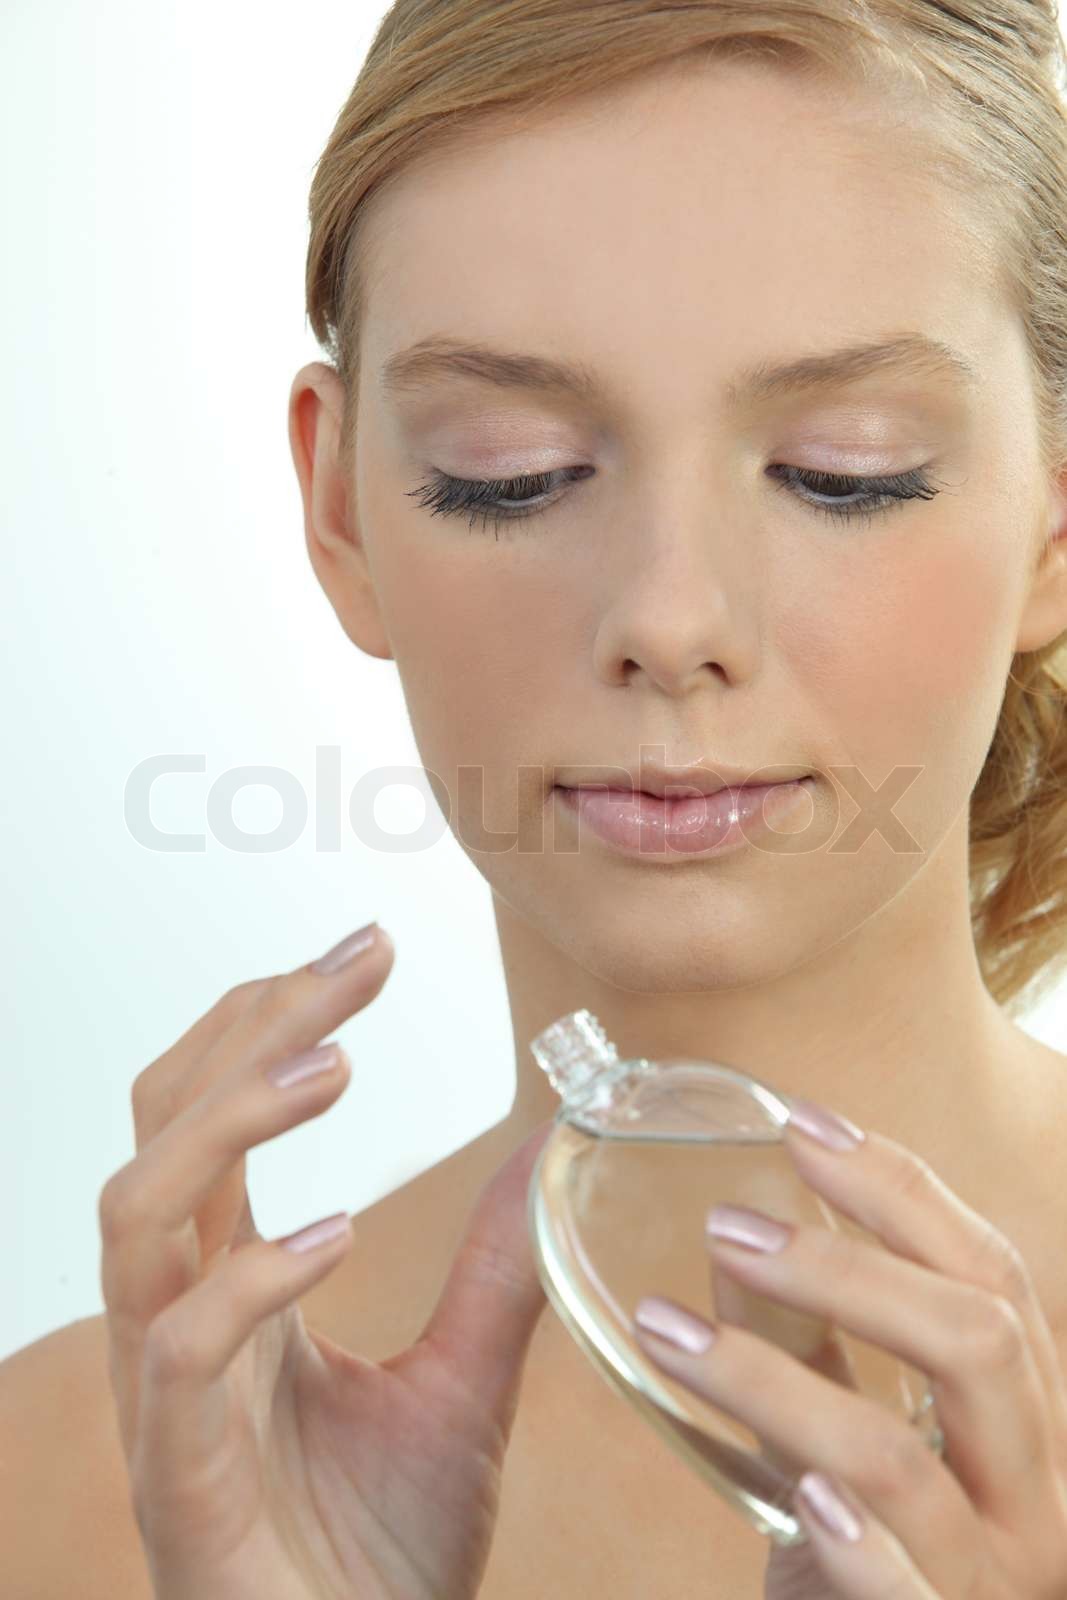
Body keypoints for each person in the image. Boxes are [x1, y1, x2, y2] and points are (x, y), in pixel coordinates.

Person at [5, 0, 1067, 1594]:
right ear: (342, 506)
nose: (670, 619)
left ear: (1056, 523)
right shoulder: (80, 1477)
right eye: (511, 472)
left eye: (844, 472)